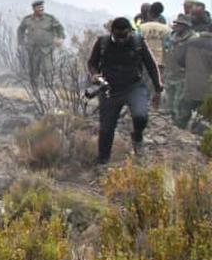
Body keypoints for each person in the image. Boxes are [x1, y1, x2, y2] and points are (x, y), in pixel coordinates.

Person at [87, 17, 163, 164]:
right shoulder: (102, 43)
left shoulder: (138, 42)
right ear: (111, 33)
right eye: (117, 36)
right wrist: (95, 74)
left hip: (134, 86)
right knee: (106, 129)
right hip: (110, 89)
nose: (121, 40)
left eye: (124, 36)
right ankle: (103, 161)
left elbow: (151, 66)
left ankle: (137, 137)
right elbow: (92, 63)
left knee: (140, 116)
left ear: (130, 32)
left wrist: (158, 89)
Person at [16, 0, 66, 87]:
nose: (41, 10)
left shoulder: (50, 18)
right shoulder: (27, 19)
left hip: (46, 49)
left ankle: (49, 90)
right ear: (34, 9)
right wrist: (21, 42)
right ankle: (35, 91)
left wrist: (60, 38)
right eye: (39, 8)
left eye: (42, 8)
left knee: (48, 70)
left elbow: (59, 28)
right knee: (34, 71)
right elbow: (20, 29)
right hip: (33, 50)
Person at [175, 26, 211, 132]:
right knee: (204, 118)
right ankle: (197, 136)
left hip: (190, 85)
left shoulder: (190, 42)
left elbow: (180, 59)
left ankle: (178, 136)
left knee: (183, 115)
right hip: (208, 90)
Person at [163, 15, 198, 123]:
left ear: (186, 26)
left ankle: (179, 121)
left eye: (180, 24)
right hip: (170, 71)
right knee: (169, 95)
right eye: (177, 23)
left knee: (181, 100)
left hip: (184, 74)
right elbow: (166, 50)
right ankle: (170, 117)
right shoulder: (170, 36)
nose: (177, 26)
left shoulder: (193, 39)